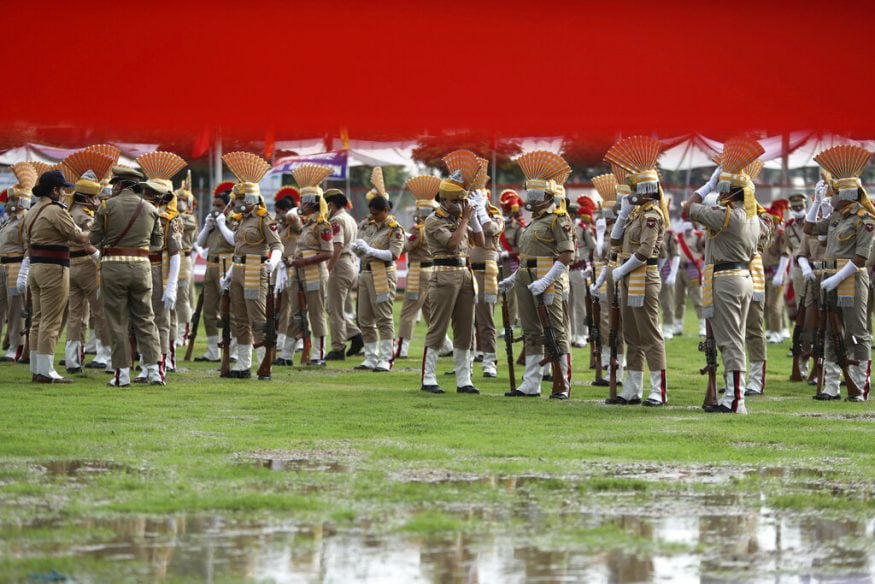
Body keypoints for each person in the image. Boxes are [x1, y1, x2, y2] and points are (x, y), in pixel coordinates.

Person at [683, 137, 763, 414]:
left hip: (726, 279)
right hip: (744, 277)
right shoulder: (753, 218)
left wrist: (706, 185)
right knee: (736, 337)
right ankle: (732, 396)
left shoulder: (726, 216)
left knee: (729, 340)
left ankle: (736, 400)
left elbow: (687, 207)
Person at [499, 150, 574, 399]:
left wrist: (546, 280)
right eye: (529, 193)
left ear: (549, 196)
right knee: (531, 330)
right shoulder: (531, 223)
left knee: (555, 330)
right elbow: (526, 256)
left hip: (547, 278)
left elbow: (566, 255)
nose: (531, 198)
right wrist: (514, 278)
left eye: (537, 194)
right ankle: (531, 383)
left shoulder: (558, 220)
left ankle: (563, 383)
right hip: (525, 277)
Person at [804, 145, 875, 401]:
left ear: (846, 193)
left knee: (856, 332)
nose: (830, 195)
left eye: (833, 192)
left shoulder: (864, 219)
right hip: (831, 278)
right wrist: (815, 202)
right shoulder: (835, 216)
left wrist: (836, 277)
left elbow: (860, 258)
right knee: (830, 331)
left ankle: (859, 386)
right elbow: (809, 229)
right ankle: (830, 384)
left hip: (851, 279)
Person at [603, 136, 669, 406]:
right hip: (629, 276)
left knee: (650, 333)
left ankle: (657, 389)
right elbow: (615, 242)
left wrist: (620, 272)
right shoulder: (636, 213)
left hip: (643, 275)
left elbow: (644, 251)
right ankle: (632, 388)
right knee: (631, 334)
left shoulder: (652, 214)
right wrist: (621, 214)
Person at [17, 169, 98, 383]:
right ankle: (46, 371)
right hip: (54, 267)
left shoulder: (33, 211)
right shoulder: (56, 210)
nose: (64, 194)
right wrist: (99, 229)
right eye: (62, 189)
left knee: (38, 320)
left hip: (36, 267)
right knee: (51, 321)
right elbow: (79, 236)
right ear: (54, 190)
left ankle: (37, 367)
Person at [89, 166, 165, 386]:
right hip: (142, 267)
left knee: (117, 321)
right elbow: (158, 244)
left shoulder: (106, 207)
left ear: (120, 185)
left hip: (113, 267)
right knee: (146, 318)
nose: (113, 189)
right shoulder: (151, 208)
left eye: (115, 185)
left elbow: (94, 239)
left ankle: (122, 375)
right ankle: (153, 371)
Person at [421, 150, 488, 394]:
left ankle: (464, 379)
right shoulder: (434, 220)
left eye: (463, 201)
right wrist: (464, 220)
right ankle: (428, 378)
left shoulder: (461, 217)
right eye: (456, 202)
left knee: (465, 328)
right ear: (445, 201)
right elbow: (451, 243)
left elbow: (480, 241)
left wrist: (476, 216)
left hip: (465, 273)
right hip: (443, 274)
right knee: (438, 328)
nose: (461, 206)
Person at [221, 152, 283, 378]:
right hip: (238, 269)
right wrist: (228, 274)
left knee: (257, 319)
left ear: (247, 199)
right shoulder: (242, 220)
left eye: (237, 199)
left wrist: (273, 263)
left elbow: (277, 246)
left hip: (256, 270)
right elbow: (238, 251)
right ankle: (243, 366)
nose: (234, 203)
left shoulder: (263, 218)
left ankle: (263, 365)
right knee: (239, 319)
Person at [59, 150, 117, 373]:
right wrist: (98, 258)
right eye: (95, 197)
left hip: (70, 266)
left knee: (75, 315)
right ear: (87, 197)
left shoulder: (69, 211)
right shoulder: (85, 215)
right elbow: (90, 242)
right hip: (88, 265)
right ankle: (105, 355)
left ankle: (72, 358)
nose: (97, 201)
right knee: (100, 312)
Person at [133, 152, 186, 380]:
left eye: (151, 192)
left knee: (161, 321)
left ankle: (159, 366)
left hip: (158, 270)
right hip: (139, 266)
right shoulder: (140, 213)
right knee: (142, 319)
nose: (146, 195)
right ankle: (146, 365)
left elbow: (174, 254)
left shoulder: (170, 220)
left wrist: (172, 285)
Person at [352, 167, 405, 372]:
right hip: (365, 272)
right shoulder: (369, 224)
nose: (372, 216)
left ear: (385, 211)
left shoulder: (394, 229)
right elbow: (361, 245)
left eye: (376, 213)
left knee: (383, 317)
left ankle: (386, 357)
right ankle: (371, 356)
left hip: (383, 273)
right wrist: (357, 249)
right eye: (371, 213)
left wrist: (370, 249)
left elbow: (393, 255)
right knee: (364, 318)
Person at [286, 163, 333, 366]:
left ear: (312, 203)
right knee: (295, 311)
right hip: (299, 272)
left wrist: (302, 261)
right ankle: (286, 354)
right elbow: (290, 216)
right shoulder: (306, 223)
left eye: (304, 200)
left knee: (316, 312)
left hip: (313, 271)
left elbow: (328, 252)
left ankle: (318, 354)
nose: (300, 204)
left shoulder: (322, 225)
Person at [395, 175, 440, 359]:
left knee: (408, 311)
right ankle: (445, 344)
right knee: (430, 312)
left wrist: (401, 239)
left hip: (417, 271)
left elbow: (407, 248)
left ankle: (402, 348)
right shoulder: (436, 226)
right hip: (431, 270)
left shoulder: (418, 229)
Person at [194, 182, 237, 362]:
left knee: (230, 309)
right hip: (210, 266)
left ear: (228, 206)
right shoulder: (213, 221)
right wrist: (207, 226)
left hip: (226, 264)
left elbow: (234, 241)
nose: (215, 209)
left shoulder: (234, 221)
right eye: (214, 205)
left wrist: (222, 224)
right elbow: (200, 242)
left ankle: (233, 350)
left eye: (219, 205)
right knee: (209, 310)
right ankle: (213, 351)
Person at [590, 175, 627, 388]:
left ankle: (618, 367)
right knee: (603, 323)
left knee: (615, 324)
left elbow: (608, 254)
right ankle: (606, 362)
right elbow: (599, 256)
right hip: (604, 277)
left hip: (617, 278)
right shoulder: (608, 228)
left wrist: (603, 234)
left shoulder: (619, 229)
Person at [469, 177, 504, 378]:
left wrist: (481, 211)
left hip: (486, 272)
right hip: (469, 269)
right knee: (467, 319)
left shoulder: (495, 215)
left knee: (485, 318)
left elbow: (491, 230)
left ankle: (490, 360)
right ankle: (470, 357)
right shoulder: (466, 213)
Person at [323, 188, 363, 360]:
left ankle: (338, 347)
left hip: (339, 264)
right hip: (349, 263)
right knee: (332, 307)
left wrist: (328, 267)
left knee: (335, 309)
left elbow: (337, 246)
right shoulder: (349, 218)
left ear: (330, 205)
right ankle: (355, 335)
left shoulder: (336, 220)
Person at [0, 164, 34, 362]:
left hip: (15, 265)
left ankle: (15, 346)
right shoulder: (9, 220)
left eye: (13, 198)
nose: (9, 202)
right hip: (2, 265)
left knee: (15, 309)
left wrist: (24, 269)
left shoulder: (25, 220)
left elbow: (27, 246)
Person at [271, 187, 301, 365]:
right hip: (280, 266)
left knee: (292, 305)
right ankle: (281, 337)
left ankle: (294, 340)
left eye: (279, 211)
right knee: (281, 305)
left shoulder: (295, 223)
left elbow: (294, 219)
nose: (278, 215)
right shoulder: (281, 225)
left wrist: (290, 210)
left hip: (291, 266)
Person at [174, 171, 199, 348]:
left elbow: (183, 223)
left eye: (184, 200)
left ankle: (182, 333)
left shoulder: (189, 219)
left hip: (183, 257)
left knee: (182, 297)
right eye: (178, 200)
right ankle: (174, 331)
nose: (181, 202)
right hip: (172, 258)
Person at [569, 196, 597, 347]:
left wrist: (589, 266)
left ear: (573, 214)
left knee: (580, 304)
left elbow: (593, 247)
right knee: (568, 304)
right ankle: (572, 334)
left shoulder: (583, 228)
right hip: (567, 268)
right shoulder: (563, 227)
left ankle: (582, 334)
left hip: (580, 268)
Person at [762, 199, 790, 343]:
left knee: (774, 305)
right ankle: (771, 329)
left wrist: (780, 273)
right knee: (766, 304)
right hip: (764, 273)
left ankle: (777, 332)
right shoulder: (766, 234)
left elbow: (786, 253)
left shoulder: (781, 234)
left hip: (775, 272)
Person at [673, 218, 706, 336]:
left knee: (698, 299)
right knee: (678, 299)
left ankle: (703, 327)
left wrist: (701, 269)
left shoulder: (698, 236)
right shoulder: (678, 235)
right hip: (679, 268)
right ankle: (677, 326)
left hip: (693, 268)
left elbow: (704, 254)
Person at [498, 190, 525, 328]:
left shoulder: (518, 227)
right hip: (498, 264)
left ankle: (511, 324)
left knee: (510, 297)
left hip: (512, 264)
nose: (504, 213)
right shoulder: (498, 225)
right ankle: (507, 322)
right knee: (501, 297)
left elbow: (521, 249)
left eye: (506, 210)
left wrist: (506, 254)